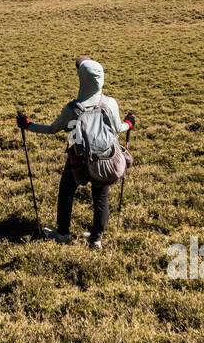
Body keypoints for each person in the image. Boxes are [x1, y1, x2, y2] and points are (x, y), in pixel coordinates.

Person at [17, 56, 135, 250]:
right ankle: (96, 238)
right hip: (106, 158)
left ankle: (62, 233)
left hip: (78, 160)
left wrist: (29, 125)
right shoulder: (110, 103)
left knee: (66, 192)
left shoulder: (72, 108)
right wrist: (129, 123)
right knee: (101, 196)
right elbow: (118, 128)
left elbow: (53, 129)